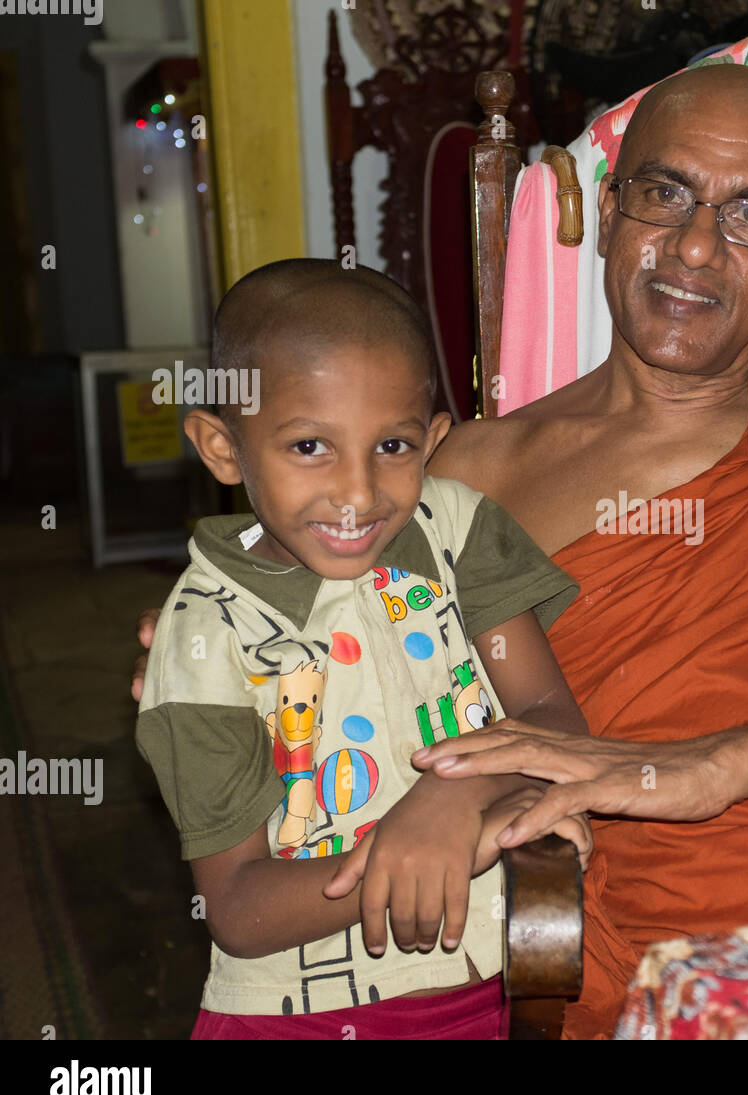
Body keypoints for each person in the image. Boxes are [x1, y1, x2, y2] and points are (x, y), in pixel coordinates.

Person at [136, 64, 748, 1040]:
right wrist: (206, 647)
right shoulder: (459, 481)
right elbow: (336, 658)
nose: (696, 247)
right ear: (610, 213)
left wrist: (721, 763)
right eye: (664, 194)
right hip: (667, 931)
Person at [135, 260, 590, 1039]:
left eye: (392, 445)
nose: (357, 493)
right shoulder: (203, 628)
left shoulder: (459, 533)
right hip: (294, 1017)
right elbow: (239, 907)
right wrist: (423, 851)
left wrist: (452, 796)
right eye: (309, 446)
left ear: (435, 439)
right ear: (221, 446)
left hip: (487, 985)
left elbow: (554, 720)